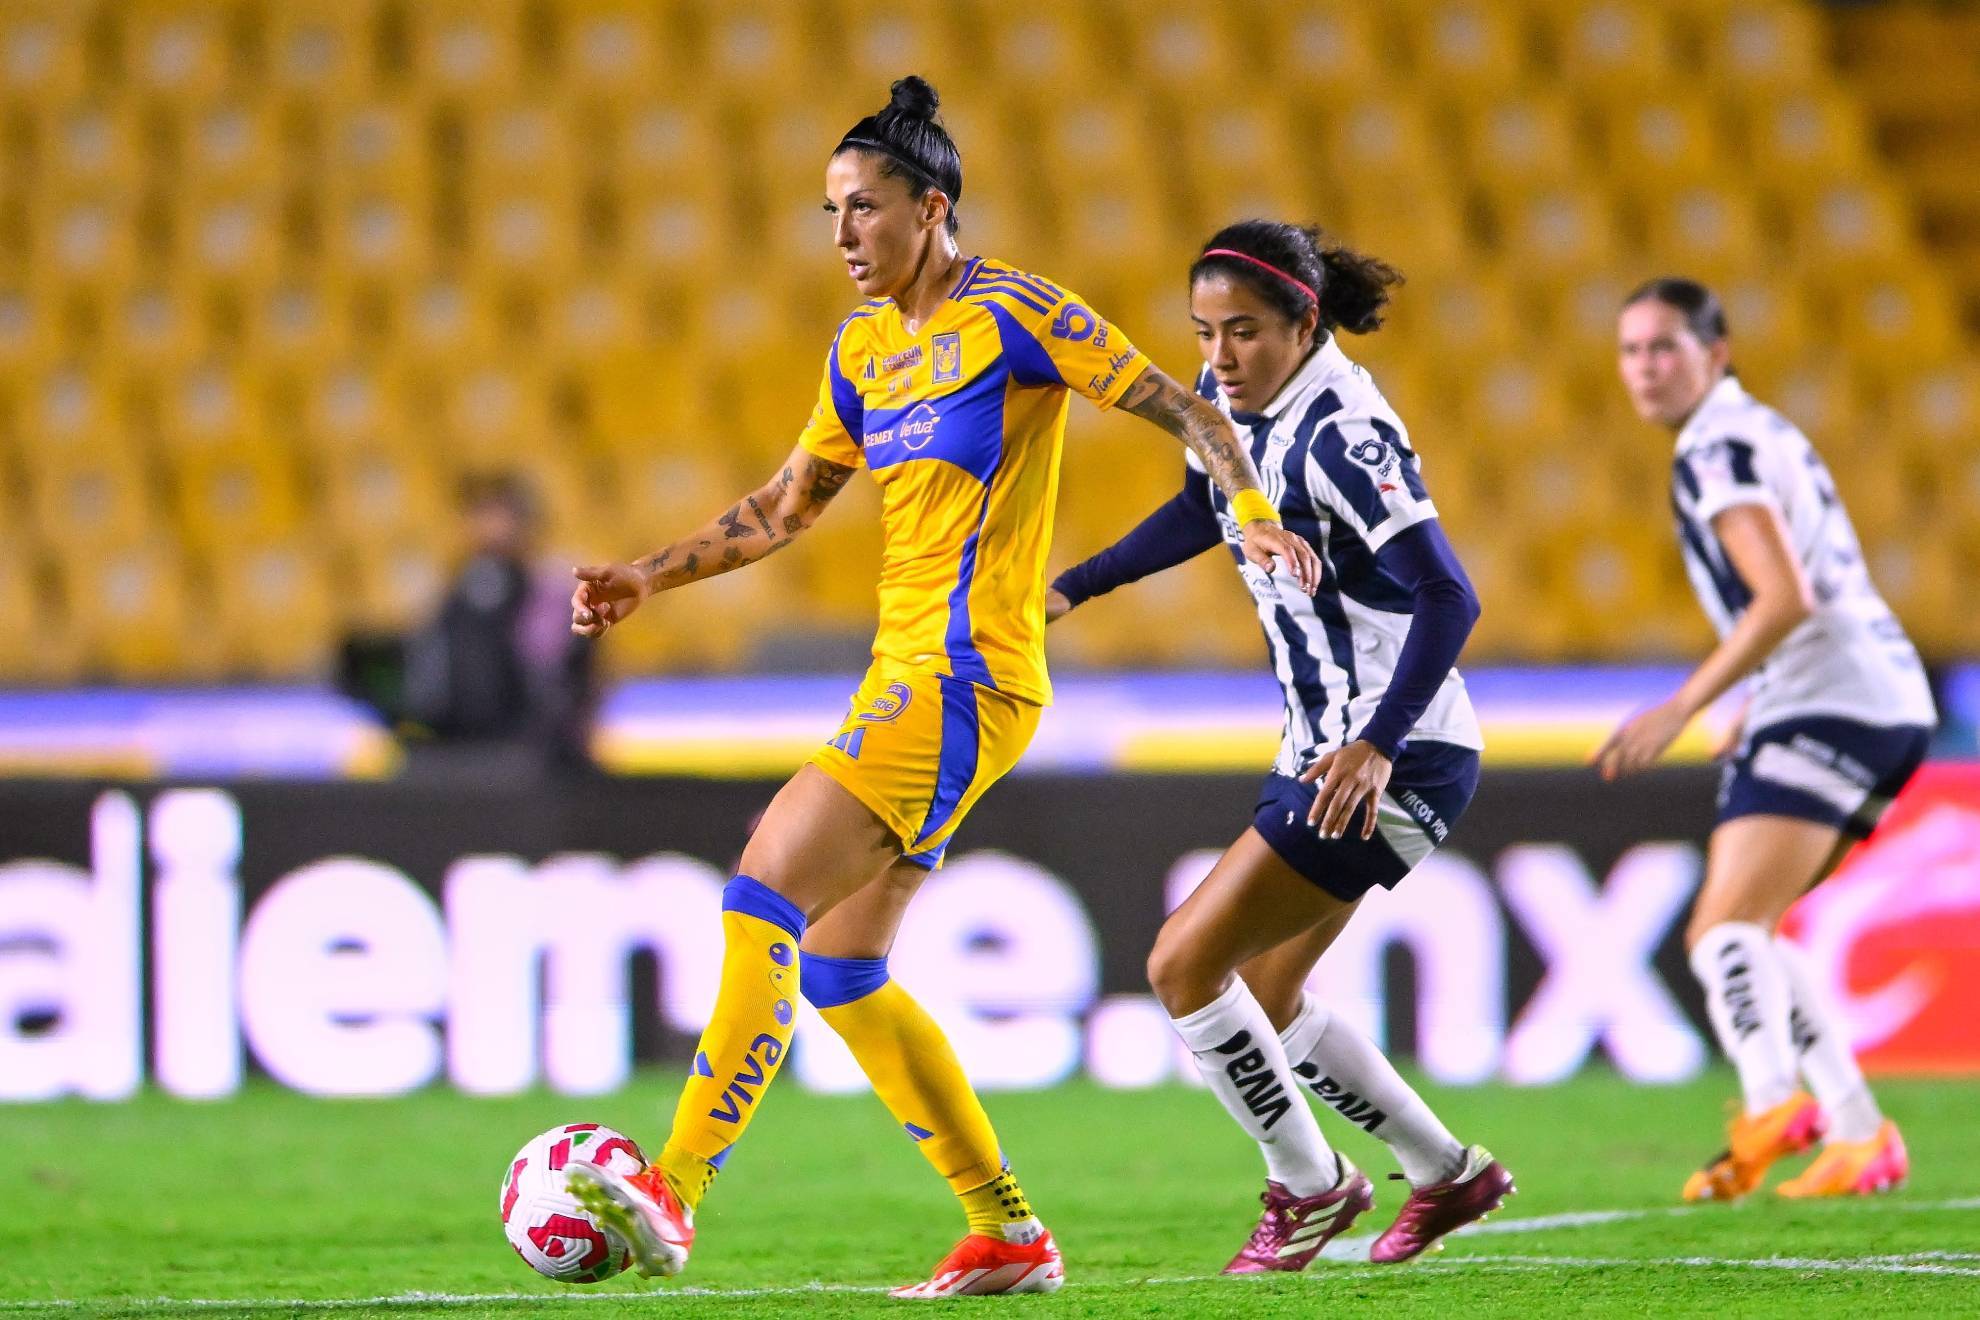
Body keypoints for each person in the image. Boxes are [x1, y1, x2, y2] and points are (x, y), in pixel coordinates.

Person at [561, 78, 1321, 1296]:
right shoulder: (861, 351)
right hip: (903, 677)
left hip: (968, 678)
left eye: (864, 208)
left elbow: (1183, 405)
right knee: (840, 966)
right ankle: (1010, 1233)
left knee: (765, 882)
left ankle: (675, 1188)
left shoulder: (1017, 312)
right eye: (828, 213)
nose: (842, 235)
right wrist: (646, 578)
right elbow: (779, 509)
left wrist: (1255, 511)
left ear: (934, 207)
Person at [1050, 221, 1512, 1273]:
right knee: (1263, 996)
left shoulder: (1342, 431)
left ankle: (1309, 1187)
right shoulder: (1231, 414)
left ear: (1305, 323)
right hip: (1330, 744)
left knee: (1181, 964)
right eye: (1205, 332)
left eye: (1246, 333)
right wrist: (1076, 586)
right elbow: (1196, 508)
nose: (1219, 357)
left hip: (1392, 752)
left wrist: (1377, 747)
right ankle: (1448, 1173)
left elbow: (1452, 595)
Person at [1597, 277, 1934, 1202]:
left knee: (1721, 929)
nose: (1645, 368)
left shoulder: (1715, 447)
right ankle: (1862, 1137)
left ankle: (1775, 1101)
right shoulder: (1759, 430)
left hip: (1832, 697)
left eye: (1665, 346)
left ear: (1718, 351)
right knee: (1759, 925)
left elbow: (1785, 594)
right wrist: (1757, 698)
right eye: (1631, 351)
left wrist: (1684, 705)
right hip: (1874, 696)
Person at [399, 471, 596, 772]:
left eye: (498, 515)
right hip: (461, 752)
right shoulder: (454, 595)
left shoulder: (553, 595)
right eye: (480, 514)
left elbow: (562, 682)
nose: (489, 526)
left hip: (534, 754)